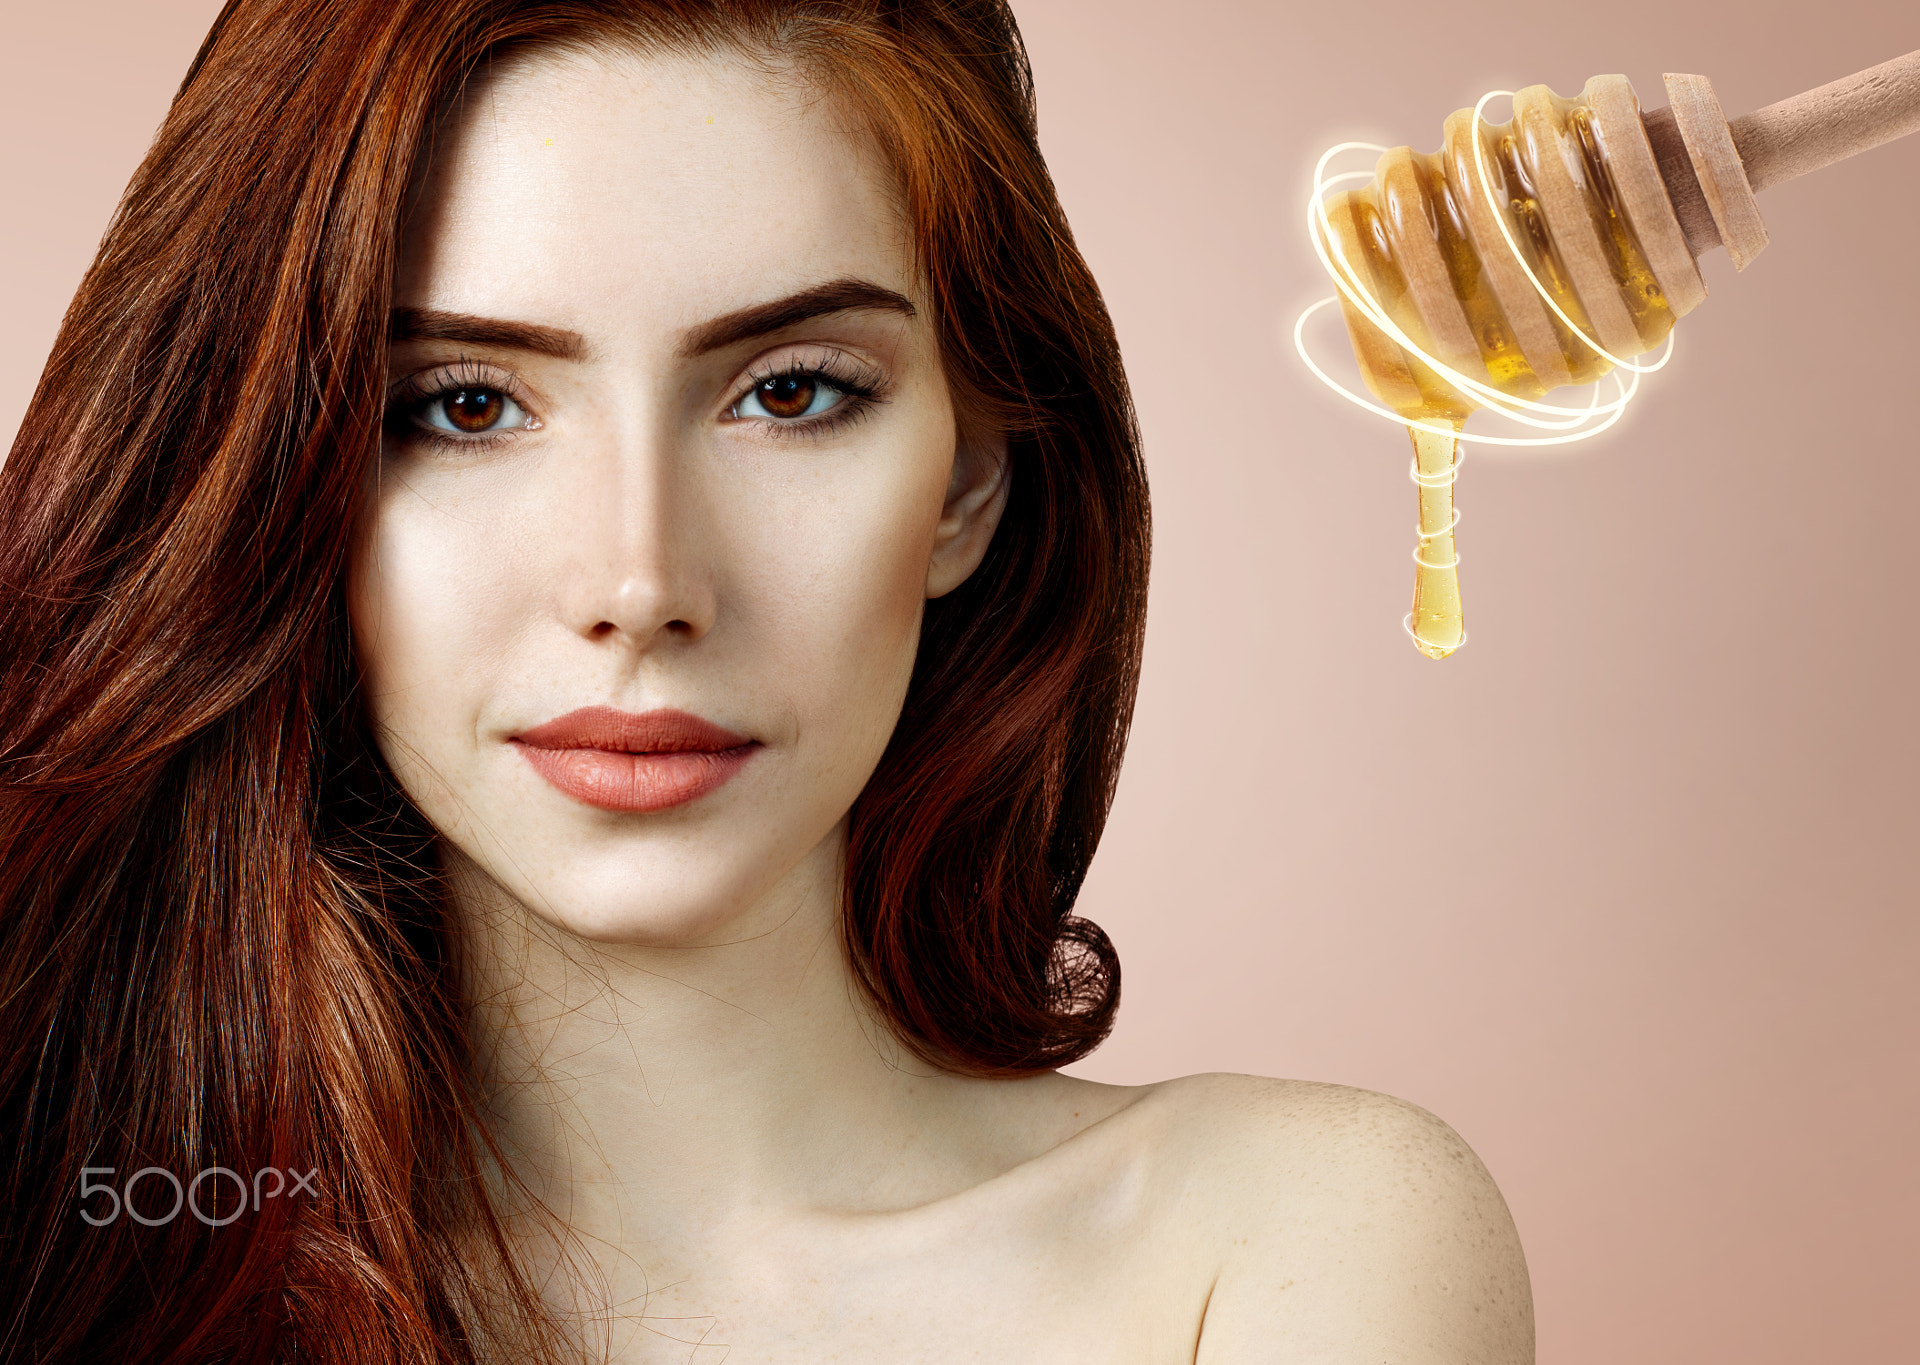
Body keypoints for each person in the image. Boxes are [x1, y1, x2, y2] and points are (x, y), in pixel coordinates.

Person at [0, 1, 1534, 1359]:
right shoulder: (77, 1250)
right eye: (464, 404)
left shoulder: (1295, 1245)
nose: (641, 584)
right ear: (285, 481)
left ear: (966, 488)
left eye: (789, 393)